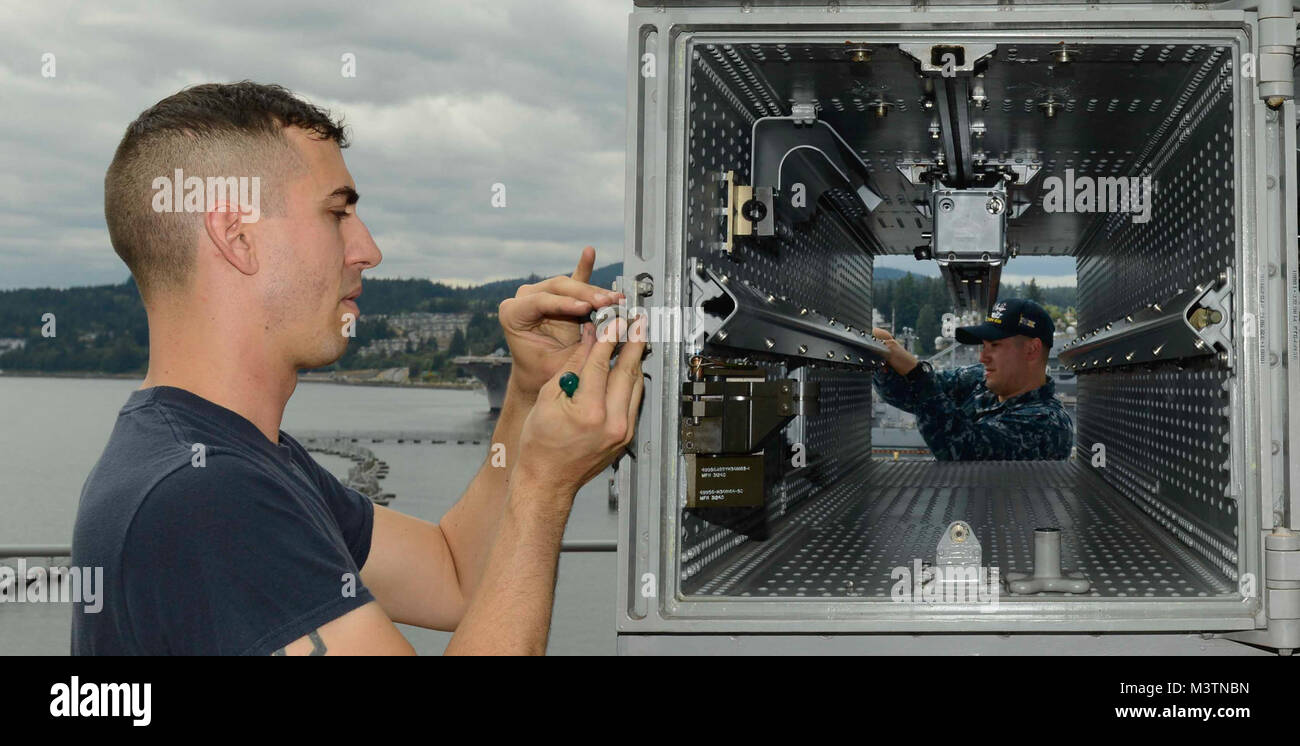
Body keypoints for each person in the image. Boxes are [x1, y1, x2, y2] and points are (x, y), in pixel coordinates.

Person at [71, 81, 645, 655]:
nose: (368, 249)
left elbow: (454, 576)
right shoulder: (204, 495)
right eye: (337, 212)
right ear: (237, 238)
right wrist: (544, 489)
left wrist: (528, 388)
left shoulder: (241, 458)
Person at [871, 298, 1073, 461]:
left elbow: (964, 452)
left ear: (1031, 350)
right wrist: (884, 358)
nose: (982, 357)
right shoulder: (980, 381)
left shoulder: (1048, 424)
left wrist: (917, 373)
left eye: (994, 346)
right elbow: (909, 394)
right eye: (983, 346)